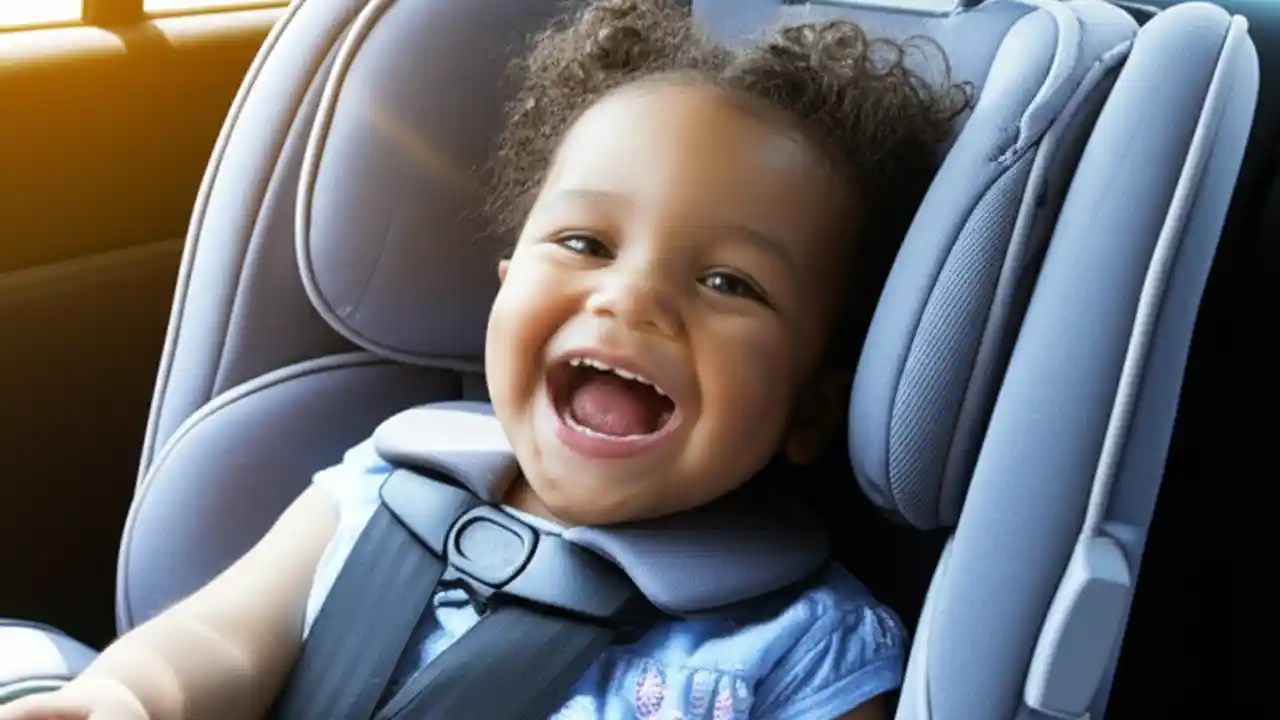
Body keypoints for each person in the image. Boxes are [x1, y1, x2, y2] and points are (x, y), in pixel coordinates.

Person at [0, 1, 968, 718]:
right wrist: (121, 701)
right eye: (585, 244)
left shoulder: (803, 650)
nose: (630, 298)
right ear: (505, 287)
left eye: (728, 283)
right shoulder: (379, 490)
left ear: (810, 406)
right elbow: (216, 639)